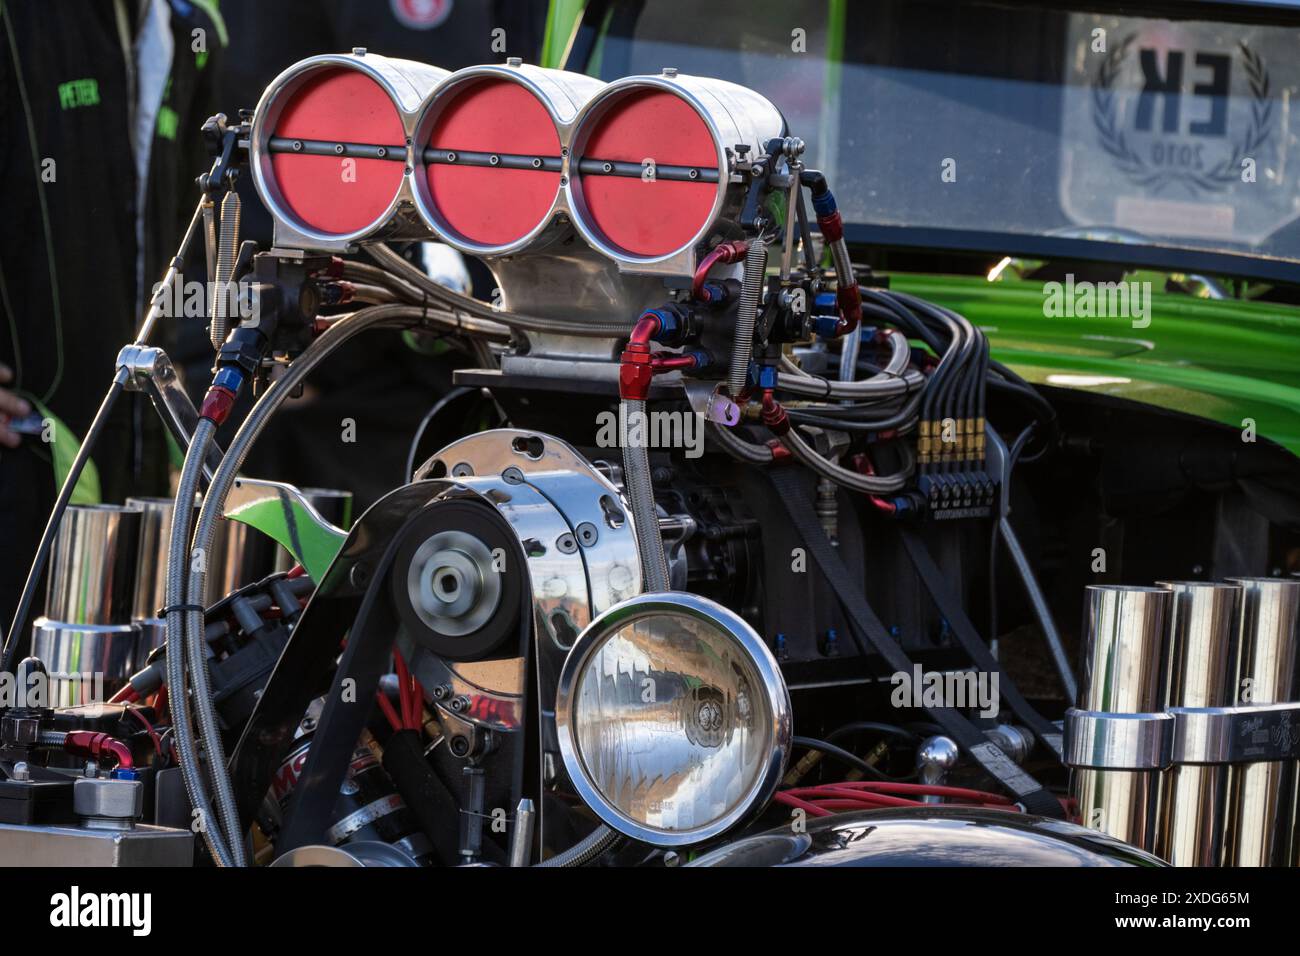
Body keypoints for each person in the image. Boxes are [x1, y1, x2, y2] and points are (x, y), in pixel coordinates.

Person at [0, 0, 226, 632]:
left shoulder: (192, 28)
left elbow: (201, 245)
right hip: (23, 458)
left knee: (102, 718)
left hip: (136, 482)